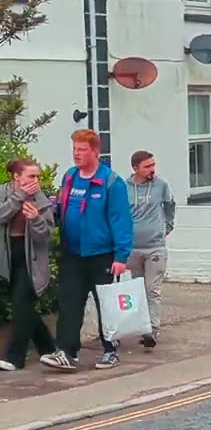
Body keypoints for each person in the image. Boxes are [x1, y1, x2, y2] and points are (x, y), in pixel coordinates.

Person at [39, 129, 133, 371]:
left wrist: (121, 256)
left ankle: (110, 349)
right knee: (69, 303)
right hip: (72, 254)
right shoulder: (70, 177)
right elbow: (61, 207)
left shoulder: (112, 182)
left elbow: (121, 220)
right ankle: (68, 353)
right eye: (74, 149)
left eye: (82, 150)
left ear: (95, 151)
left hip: (102, 255)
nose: (76, 154)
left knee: (106, 305)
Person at [0, 159, 56, 371]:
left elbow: (45, 236)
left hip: (30, 259)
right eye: (31, 176)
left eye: (38, 176)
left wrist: (35, 220)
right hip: (7, 255)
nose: (36, 181)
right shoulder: (4, 192)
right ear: (16, 177)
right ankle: (49, 348)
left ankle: (15, 357)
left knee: (21, 303)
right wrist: (19, 197)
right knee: (23, 306)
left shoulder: (40, 199)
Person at [125, 150, 175, 348]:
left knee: (151, 289)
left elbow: (170, 206)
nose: (152, 170)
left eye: (153, 165)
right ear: (135, 168)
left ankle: (152, 331)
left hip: (155, 247)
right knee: (137, 290)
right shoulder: (124, 187)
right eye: (147, 166)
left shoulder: (161, 186)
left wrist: (167, 227)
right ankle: (142, 327)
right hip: (132, 248)